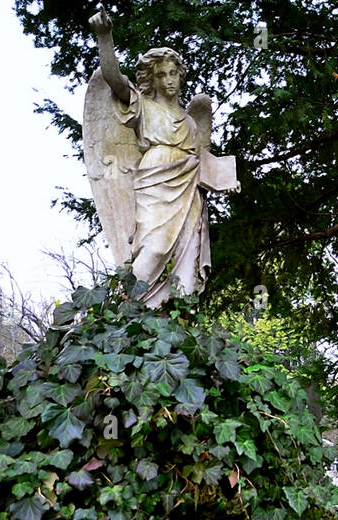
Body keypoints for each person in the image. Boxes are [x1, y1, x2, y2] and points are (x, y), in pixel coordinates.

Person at [85, 12, 235, 307]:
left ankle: (177, 316)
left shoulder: (190, 121)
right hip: (156, 182)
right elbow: (113, 78)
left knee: (188, 254)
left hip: (190, 190)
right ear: (152, 78)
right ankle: (122, 313)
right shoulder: (143, 106)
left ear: (181, 75)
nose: (169, 80)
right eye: (162, 74)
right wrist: (105, 36)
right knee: (153, 250)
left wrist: (225, 180)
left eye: (173, 73)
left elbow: (202, 159)